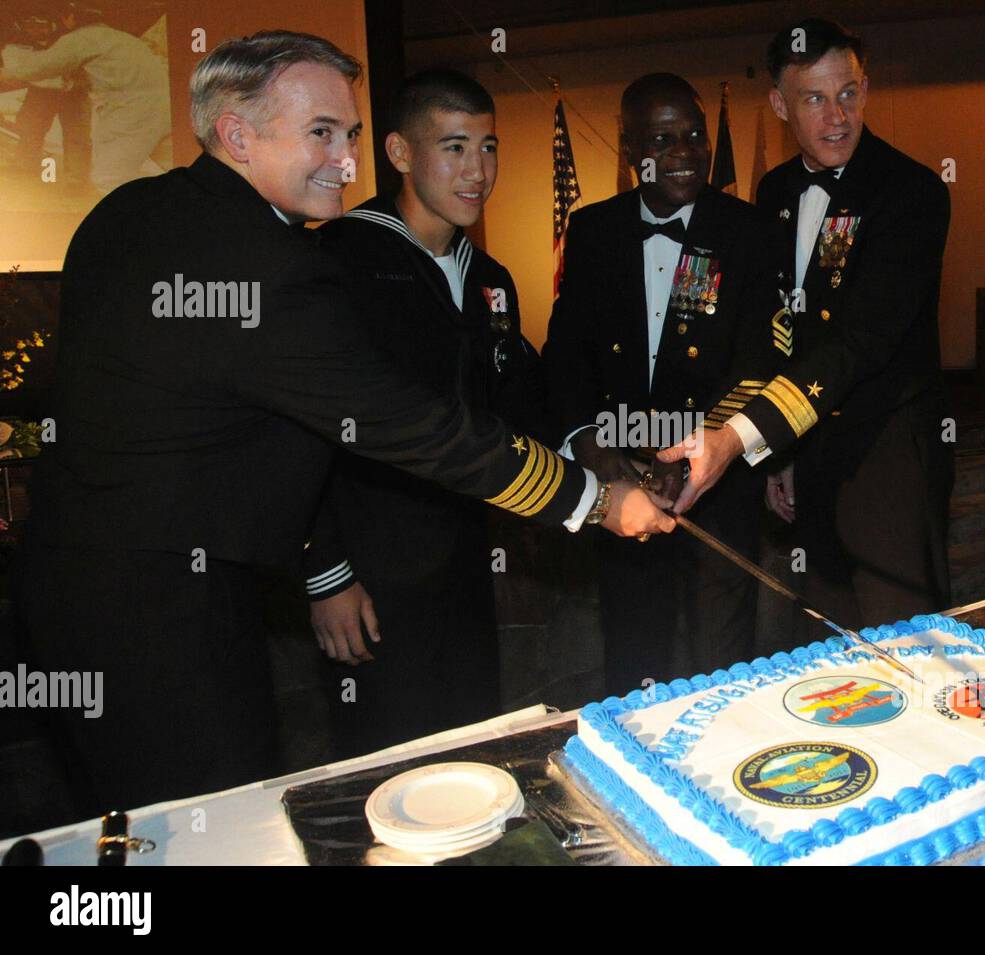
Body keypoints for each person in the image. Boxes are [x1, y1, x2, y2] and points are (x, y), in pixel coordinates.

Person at [16, 31, 672, 814]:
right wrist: (592, 500)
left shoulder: (125, 213)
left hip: (73, 586)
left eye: (351, 134)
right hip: (166, 612)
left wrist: (587, 448)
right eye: (321, 134)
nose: (347, 161)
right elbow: (407, 424)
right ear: (236, 133)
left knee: (121, 823)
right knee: (211, 820)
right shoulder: (283, 264)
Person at [660, 17, 953, 633]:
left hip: (888, 454)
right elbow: (776, 332)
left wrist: (741, 437)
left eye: (848, 93)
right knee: (826, 629)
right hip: (807, 442)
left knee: (901, 635)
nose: (837, 116)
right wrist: (779, 453)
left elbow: (859, 343)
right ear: (779, 105)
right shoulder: (774, 192)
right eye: (814, 99)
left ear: (866, 89)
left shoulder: (912, 193)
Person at [303, 69, 547, 757]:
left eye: (489, 147)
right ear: (400, 153)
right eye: (456, 147)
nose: (478, 171)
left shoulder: (490, 279)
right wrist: (325, 574)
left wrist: (596, 453)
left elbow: (517, 408)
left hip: (466, 564)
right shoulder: (339, 262)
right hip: (370, 576)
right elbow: (302, 436)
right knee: (385, 765)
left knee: (473, 752)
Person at [544, 73, 784, 691]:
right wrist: (593, 449)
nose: (684, 152)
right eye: (663, 139)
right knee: (633, 655)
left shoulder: (747, 232)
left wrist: (699, 447)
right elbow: (567, 355)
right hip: (623, 479)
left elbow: (760, 360)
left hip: (718, 475)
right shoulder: (594, 231)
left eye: (695, 136)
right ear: (631, 152)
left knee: (724, 662)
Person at [0, 2, 169, 195]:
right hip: (159, 104)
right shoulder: (119, 38)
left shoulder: (80, 39)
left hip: (126, 105)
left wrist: (5, 74)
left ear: (70, 18)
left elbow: (39, 66)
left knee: (107, 175)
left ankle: (85, 186)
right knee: (160, 164)